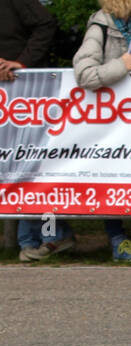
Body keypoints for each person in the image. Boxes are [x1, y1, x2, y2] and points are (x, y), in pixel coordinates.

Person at [73, 0, 131, 262]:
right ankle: (117, 239)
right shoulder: (99, 27)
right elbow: (85, 75)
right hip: (106, 119)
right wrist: (123, 66)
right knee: (108, 174)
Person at [3, 0, 70, 262]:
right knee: (13, 165)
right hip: (8, 97)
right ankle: (34, 239)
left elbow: (46, 22)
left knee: (34, 164)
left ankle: (50, 234)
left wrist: (21, 62)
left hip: (29, 92)